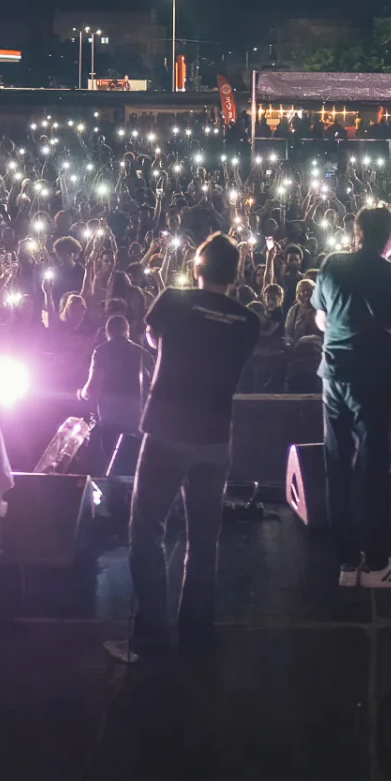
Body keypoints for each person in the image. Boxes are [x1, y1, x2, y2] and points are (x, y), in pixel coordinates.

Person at [106, 234, 260, 663]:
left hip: (167, 433)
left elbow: (154, 341)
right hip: (215, 439)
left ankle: (152, 638)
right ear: (235, 274)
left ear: (197, 268)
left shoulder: (173, 300)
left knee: (146, 531)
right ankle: (196, 633)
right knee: (204, 539)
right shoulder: (248, 321)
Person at [313, 206, 391, 590]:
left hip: (334, 378)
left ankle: (347, 563)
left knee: (338, 466)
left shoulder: (332, 264)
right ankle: (378, 564)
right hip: (376, 382)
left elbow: (320, 317)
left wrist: (341, 329)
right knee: (377, 470)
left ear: (357, 230)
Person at [78, 313, 152, 477]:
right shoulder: (144, 354)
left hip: (111, 422)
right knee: (133, 473)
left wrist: (80, 393)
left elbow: (91, 390)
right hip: (139, 423)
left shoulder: (101, 351)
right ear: (127, 331)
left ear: (107, 332)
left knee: (110, 471)